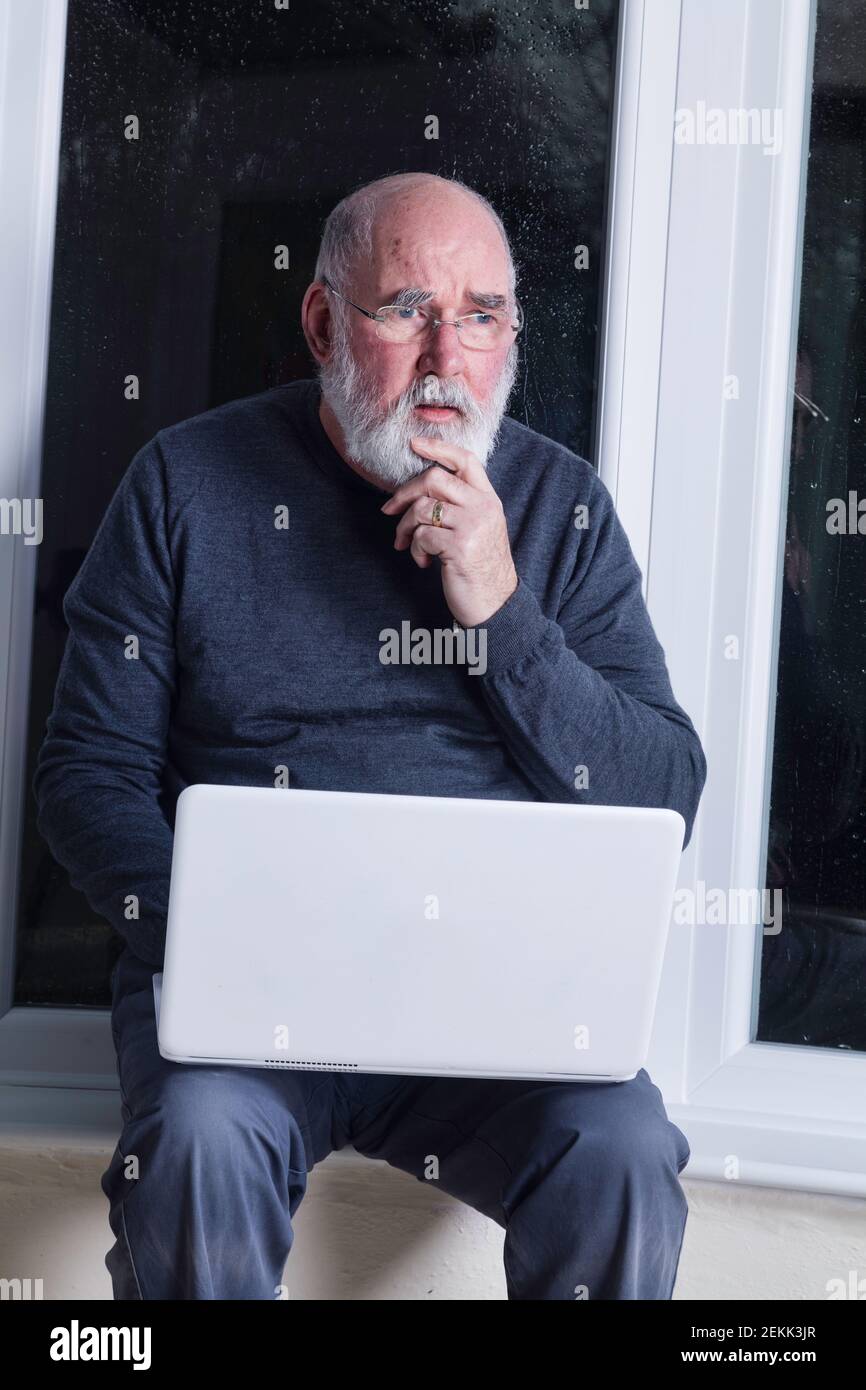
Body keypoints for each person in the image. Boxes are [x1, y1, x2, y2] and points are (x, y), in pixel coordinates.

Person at [33, 171, 706, 1300]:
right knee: (196, 1141)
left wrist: (499, 607)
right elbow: (86, 776)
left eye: (481, 315)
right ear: (321, 321)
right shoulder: (184, 487)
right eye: (406, 308)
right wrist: (220, 934)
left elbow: (661, 795)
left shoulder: (561, 509)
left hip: (497, 1017)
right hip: (247, 1015)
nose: (447, 355)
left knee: (624, 1150)